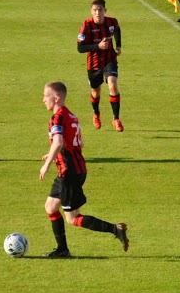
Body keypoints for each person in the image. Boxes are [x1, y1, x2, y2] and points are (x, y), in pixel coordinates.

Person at [38, 81, 129, 258]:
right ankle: (62, 249)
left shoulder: (58, 117)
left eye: (45, 96)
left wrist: (47, 164)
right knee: (50, 206)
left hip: (69, 172)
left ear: (56, 98)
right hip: (74, 168)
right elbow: (78, 143)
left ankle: (115, 229)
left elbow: (58, 142)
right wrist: (53, 155)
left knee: (72, 218)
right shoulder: (71, 116)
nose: (43, 100)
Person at [77, 0, 124, 131]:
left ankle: (116, 119)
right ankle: (96, 114)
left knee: (113, 85)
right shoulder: (87, 25)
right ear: (91, 11)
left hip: (110, 59)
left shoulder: (112, 22)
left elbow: (117, 30)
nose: (98, 13)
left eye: (100, 10)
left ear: (105, 10)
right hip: (94, 64)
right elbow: (80, 48)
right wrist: (98, 46)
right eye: (95, 10)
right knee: (96, 91)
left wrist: (118, 45)